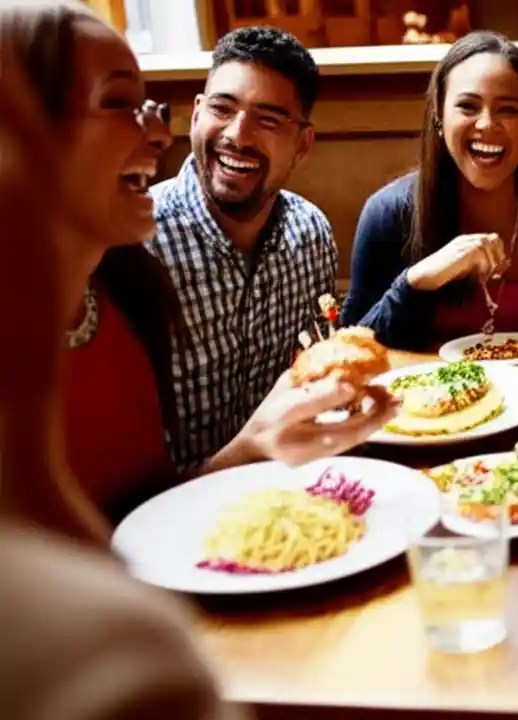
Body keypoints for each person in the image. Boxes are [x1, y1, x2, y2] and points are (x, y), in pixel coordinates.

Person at [6, 2, 393, 520]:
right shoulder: (127, 257)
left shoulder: (113, 286)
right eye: (119, 103)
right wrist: (251, 448)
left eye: (268, 119)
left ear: (303, 145)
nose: (156, 134)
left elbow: (129, 510)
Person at [0, 8, 238, 717]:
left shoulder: (129, 297)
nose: (159, 133)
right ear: (19, 137)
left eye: (149, 106)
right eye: (117, 103)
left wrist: (258, 445)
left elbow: (144, 514)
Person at [149, 26, 340, 471]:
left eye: (268, 120)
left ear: (302, 145)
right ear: (196, 114)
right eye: (223, 108)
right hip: (156, 523)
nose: (238, 135)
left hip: (286, 504)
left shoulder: (311, 235)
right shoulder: (133, 244)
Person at [339, 30, 518, 350]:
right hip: (421, 397)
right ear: (439, 118)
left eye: (507, 110)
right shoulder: (388, 212)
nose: (486, 124)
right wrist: (416, 281)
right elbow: (349, 351)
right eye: (468, 107)